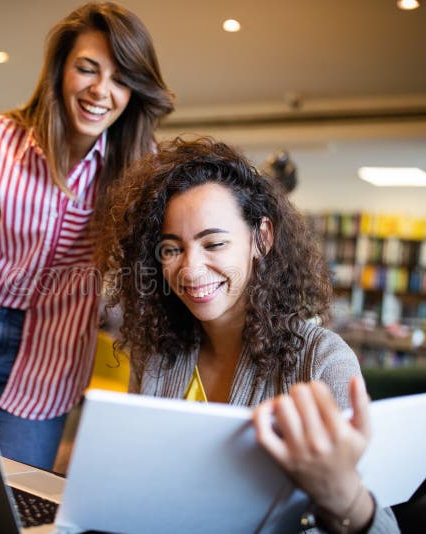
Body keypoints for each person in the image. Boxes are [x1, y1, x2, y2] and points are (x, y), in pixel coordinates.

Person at [94, 137, 399, 533]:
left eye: (214, 243)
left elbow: (384, 527)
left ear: (262, 238)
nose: (190, 269)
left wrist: (345, 498)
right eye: (171, 249)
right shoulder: (158, 353)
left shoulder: (321, 358)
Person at [0, 1, 174, 471]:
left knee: (15, 498)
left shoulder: (140, 164)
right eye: (88, 68)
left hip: (57, 348)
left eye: (121, 79)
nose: (101, 91)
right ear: (61, 68)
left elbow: (140, 265)